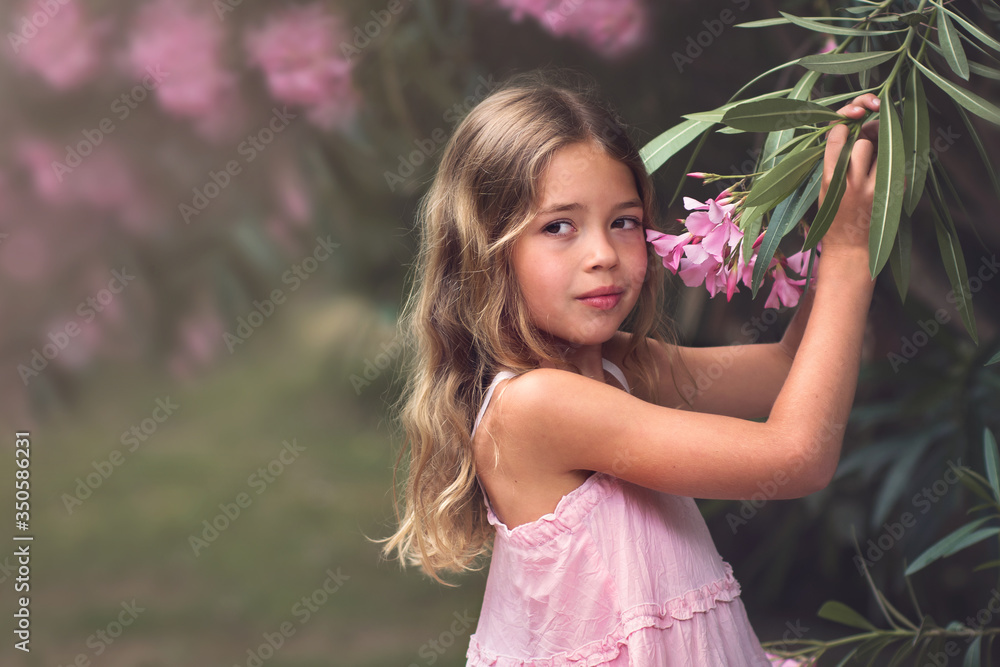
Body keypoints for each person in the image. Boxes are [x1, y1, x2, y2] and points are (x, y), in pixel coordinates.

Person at [374, 69, 881, 666]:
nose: (603, 256)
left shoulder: (619, 367)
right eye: (558, 226)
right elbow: (796, 458)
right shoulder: (534, 406)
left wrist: (835, 226)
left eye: (625, 221)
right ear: (486, 250)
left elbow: (787, 367)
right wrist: (849, 255)